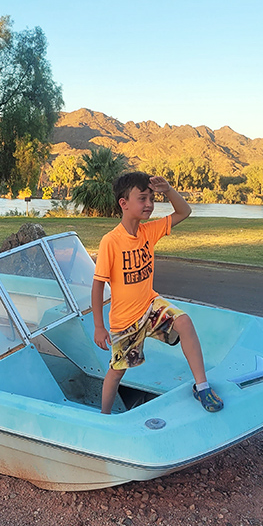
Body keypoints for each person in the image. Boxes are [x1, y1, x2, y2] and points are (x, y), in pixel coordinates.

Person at [91, 171, 224, 415]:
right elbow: (98, 285)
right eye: (142, 199)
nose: (150, 204)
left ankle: (202, 386)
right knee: (118, 370)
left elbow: (184, 212)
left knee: (184, 322)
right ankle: (105, 416)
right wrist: (99, 326)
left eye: (152, 199)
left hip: (150, 306)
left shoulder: (149, 231)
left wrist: (169, 190)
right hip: (124, 321)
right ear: (124, 203)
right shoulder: (110, 241)